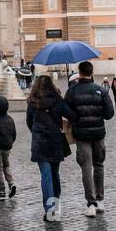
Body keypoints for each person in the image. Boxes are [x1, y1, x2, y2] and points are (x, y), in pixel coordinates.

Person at [63, 60, 114, 217]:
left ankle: (90, 203)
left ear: (79, 72)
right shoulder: (101, 91)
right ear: (92, 72)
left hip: (81, 134)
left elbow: (66, 112)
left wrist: (76, 117)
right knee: (99, 165)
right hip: (98, 133)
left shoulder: (71, 92)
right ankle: (100, 200)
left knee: (86, 168)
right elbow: (109, 114)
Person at [26, 74, 74, 223]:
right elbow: (72, 115)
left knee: (46, 176)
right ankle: (55, 205)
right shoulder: (57, 100)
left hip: (40, 142)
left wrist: (36, 131)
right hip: (55, 140)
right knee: (54, 174)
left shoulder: (32, 102)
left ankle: (50, 211)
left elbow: (29, 122)